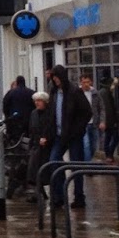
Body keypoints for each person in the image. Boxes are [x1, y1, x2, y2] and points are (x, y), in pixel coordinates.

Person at [45, 65, 93, 209]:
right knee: (54, 162)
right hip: (59, 135)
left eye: (57, 77)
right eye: (53, 77)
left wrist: (77, 130)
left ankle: (79, 197)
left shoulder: (74, 92)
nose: (55, 80)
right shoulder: (53, 92)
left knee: (76, 166)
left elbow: (87, 112)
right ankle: (58, 196)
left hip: (73, 135)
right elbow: (51, 114)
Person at [23, 89, 52, 199]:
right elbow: (32, 129)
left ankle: (38, 191)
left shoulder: (49, 114)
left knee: (39, 167)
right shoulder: (34, 113)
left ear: (45, 101)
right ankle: (37, 191)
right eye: (35, 101)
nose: (37, 103)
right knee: (33, 167)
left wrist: (45, 138)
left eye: (39, 100)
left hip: (45, 146)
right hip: (36, 145)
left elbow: (50, 127)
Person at [1, 76, 31, 141]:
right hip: (28, 122)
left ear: (17, 82)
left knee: (14, 141)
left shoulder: (10, 93)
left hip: (14, 122)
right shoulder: (31, 92)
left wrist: (8, 117)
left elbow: (5, 106)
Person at [99, 75, 119, 160]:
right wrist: (113, 122)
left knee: (108, 137)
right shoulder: (106, 93)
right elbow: (108, 108)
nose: (113, 86)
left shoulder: (103, 92)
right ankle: (109, 155)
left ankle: (108, 155)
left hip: (107, 120)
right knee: (115, 138)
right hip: (110, 121)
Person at [80, 74, 99, 160]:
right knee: (86, 144)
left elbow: (101, 107)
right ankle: (87, 165)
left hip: (94, 123)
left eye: (88, 82)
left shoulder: (95, 93)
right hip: (83, 124)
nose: (86, 84)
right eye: (84, 82)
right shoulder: (78, 93)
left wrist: (102, 121)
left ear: (91, 82)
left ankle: (89, 160)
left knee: (93, 145)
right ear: (81, 83)